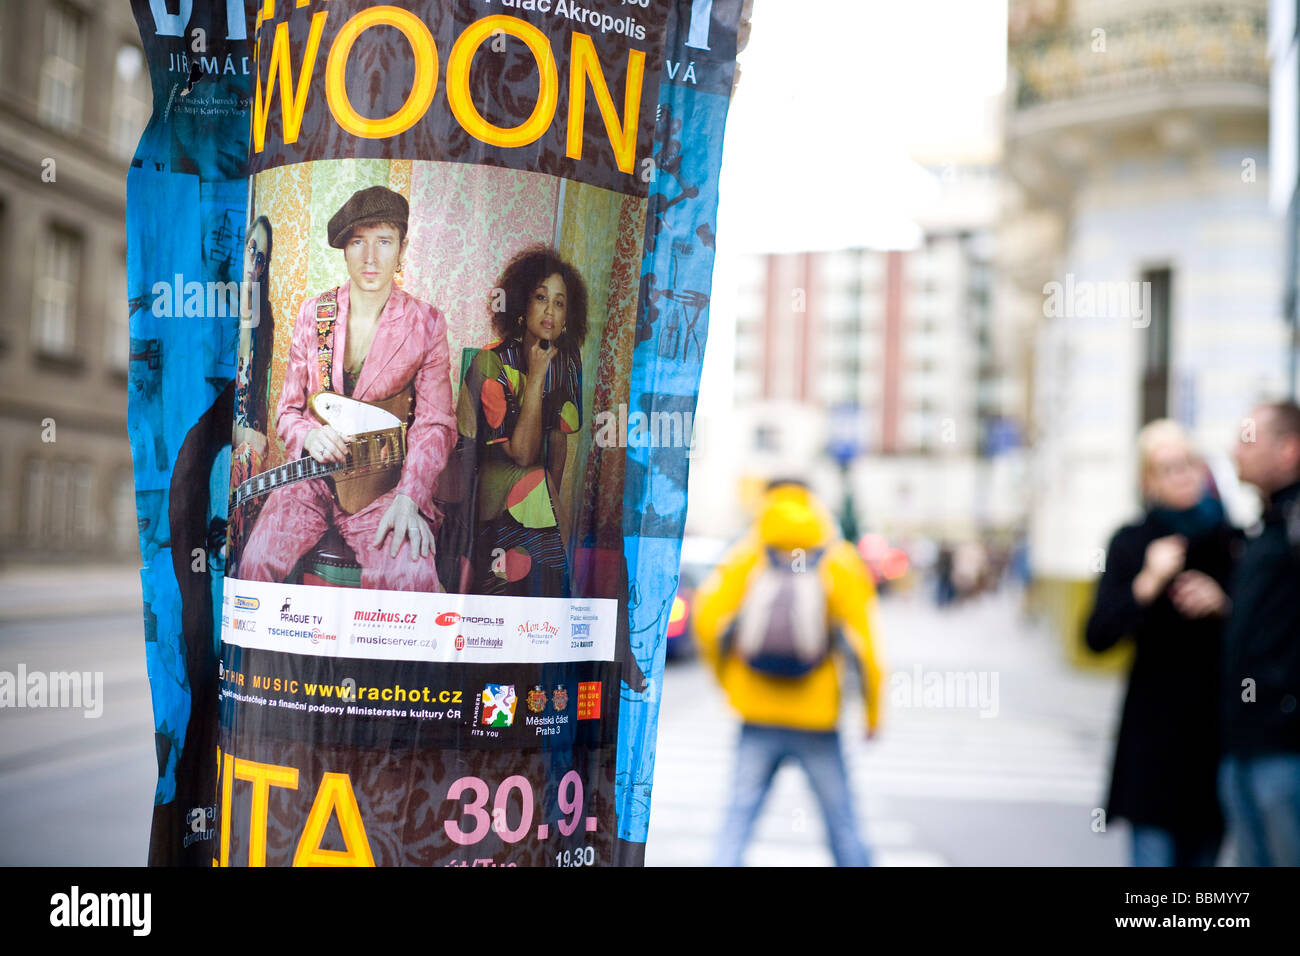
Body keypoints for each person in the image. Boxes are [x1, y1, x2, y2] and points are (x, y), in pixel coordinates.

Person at [238, 186, 456, 592]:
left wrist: (410, 497)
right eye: (358, 242)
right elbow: (288, 410)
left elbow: (435, 425)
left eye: (383, 242)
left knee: (413, 580)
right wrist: (309, 435)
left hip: (384, 487)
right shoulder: (315, 313)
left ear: (401, 248)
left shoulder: (426, 324)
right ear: (344, 249)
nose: (370, 258)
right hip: (314, 478)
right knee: (255, 563)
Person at [693, 480, 884, 866]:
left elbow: (708, 621)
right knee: (841, 823)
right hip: (817, 720)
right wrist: (872, 712)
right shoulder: (838, 558)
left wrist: (727, 682)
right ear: (812, 500)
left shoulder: (750, 553)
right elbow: (866, 649)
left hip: (757, 713)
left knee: (738, 822)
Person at [1084, 419, 1236, 867]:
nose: (1183, 475)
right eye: (1168, 468)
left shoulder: (1231, 542)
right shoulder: (1132, 543)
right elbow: (1097, 636)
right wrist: (1146, 583)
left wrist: (1223, 605)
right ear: (1147, 480)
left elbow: (1258, 632)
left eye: (1189, 463)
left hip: (1213, 736)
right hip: (1153, 739)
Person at [456, 245, 586, 597]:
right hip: (482, 486)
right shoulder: (490, 362)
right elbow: (522, 454)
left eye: (559, 303)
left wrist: (553, 510)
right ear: (521, 304)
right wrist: (537, 377)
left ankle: (545, 597)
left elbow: (557, 445)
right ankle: (556, 596)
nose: (550, 310)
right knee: (533, 477)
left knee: (540, 488)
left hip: (534, 488)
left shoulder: (567, 360)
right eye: (541, 298)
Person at [1216, 401, 1300, 866]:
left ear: (1288, 450)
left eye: (1248, 439)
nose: (1234, 451)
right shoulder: (1263, 525)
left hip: (1285, 747)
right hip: (1243, 740)